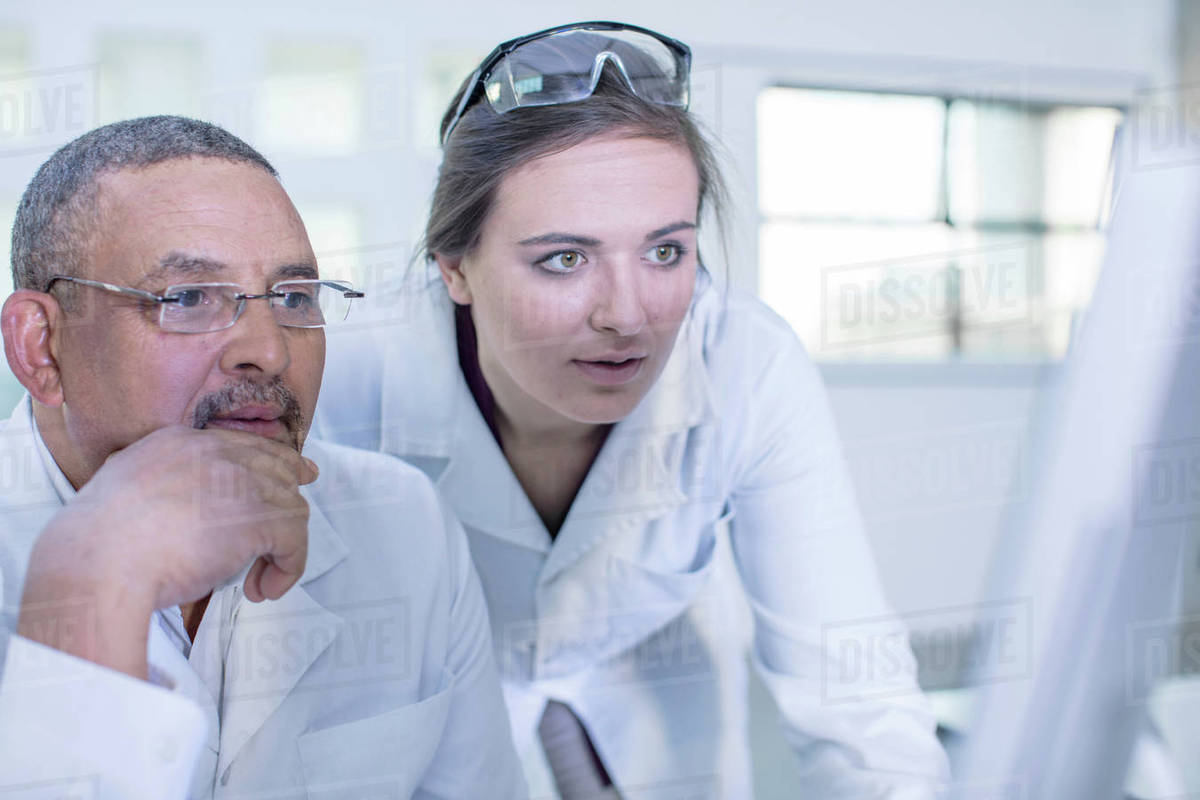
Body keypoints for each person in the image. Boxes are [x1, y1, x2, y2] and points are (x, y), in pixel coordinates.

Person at [316, 21, 949, 799]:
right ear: (455, 269)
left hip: (657, 727)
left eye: (664, 252)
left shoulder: (746, 364)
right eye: (564, 259)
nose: (628, 315)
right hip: (429, 726)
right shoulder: (344, 381)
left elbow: (859, 702)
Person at [0, 116, 526, 799]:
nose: (270, 351)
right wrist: (95, 591)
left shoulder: (402, 521)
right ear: (41, 347)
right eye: (187, 298)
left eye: (293, 298)